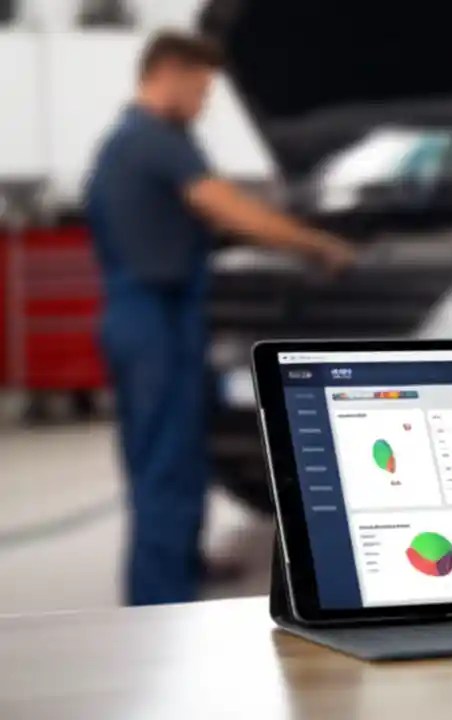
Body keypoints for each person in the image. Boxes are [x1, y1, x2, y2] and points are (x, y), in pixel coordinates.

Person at [85, 31, 357, 606]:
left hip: (154, 322)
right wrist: (318, 246)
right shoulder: (156, 140)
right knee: (166, 470)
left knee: (174, 459)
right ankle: (159, 600)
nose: (204, 103)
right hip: (154, 325)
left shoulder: (129, 142)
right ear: (172, 73)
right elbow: (228, 209)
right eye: (202, 88)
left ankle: (178, 564)